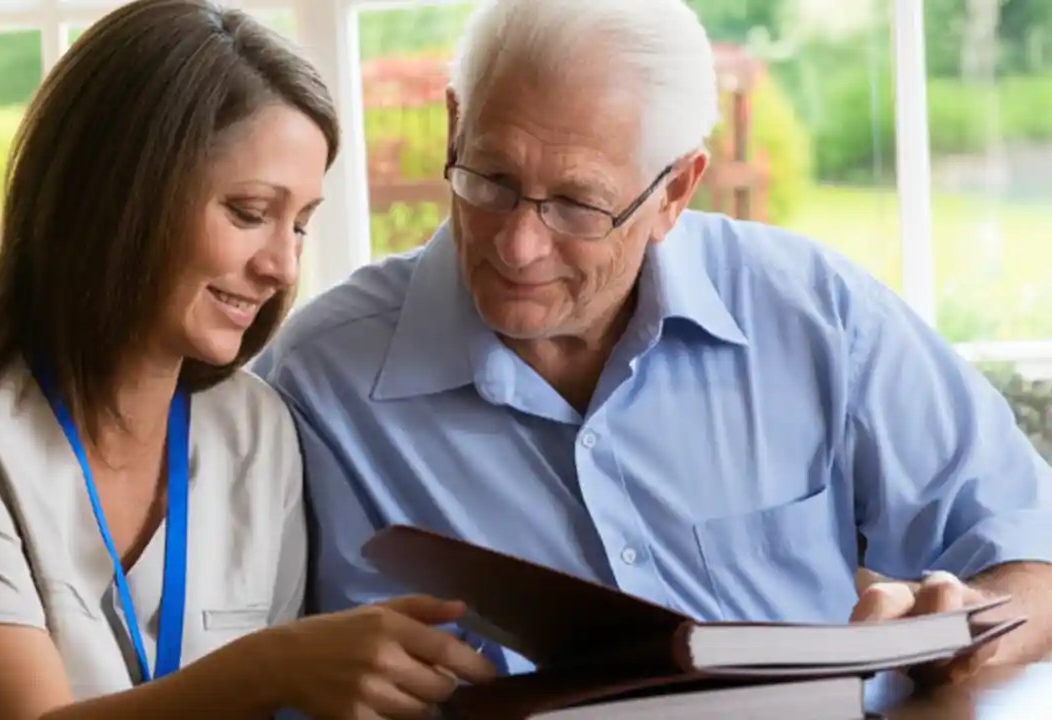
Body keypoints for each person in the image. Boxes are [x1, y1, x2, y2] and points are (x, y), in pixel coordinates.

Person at [253, 0, 1052, 686]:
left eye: (576, 204)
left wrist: (963, 631)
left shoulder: (815, 313)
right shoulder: (320, 381)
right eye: (491, 180)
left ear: (675, 190)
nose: (518, 246)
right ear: (456, 125)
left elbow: (1034, 552)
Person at [0, 2, 494, 718]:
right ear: (120, 192)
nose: (283, 266)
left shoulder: (256, 431)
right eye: (250, 212)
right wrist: (274, 666)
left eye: (302, 224)